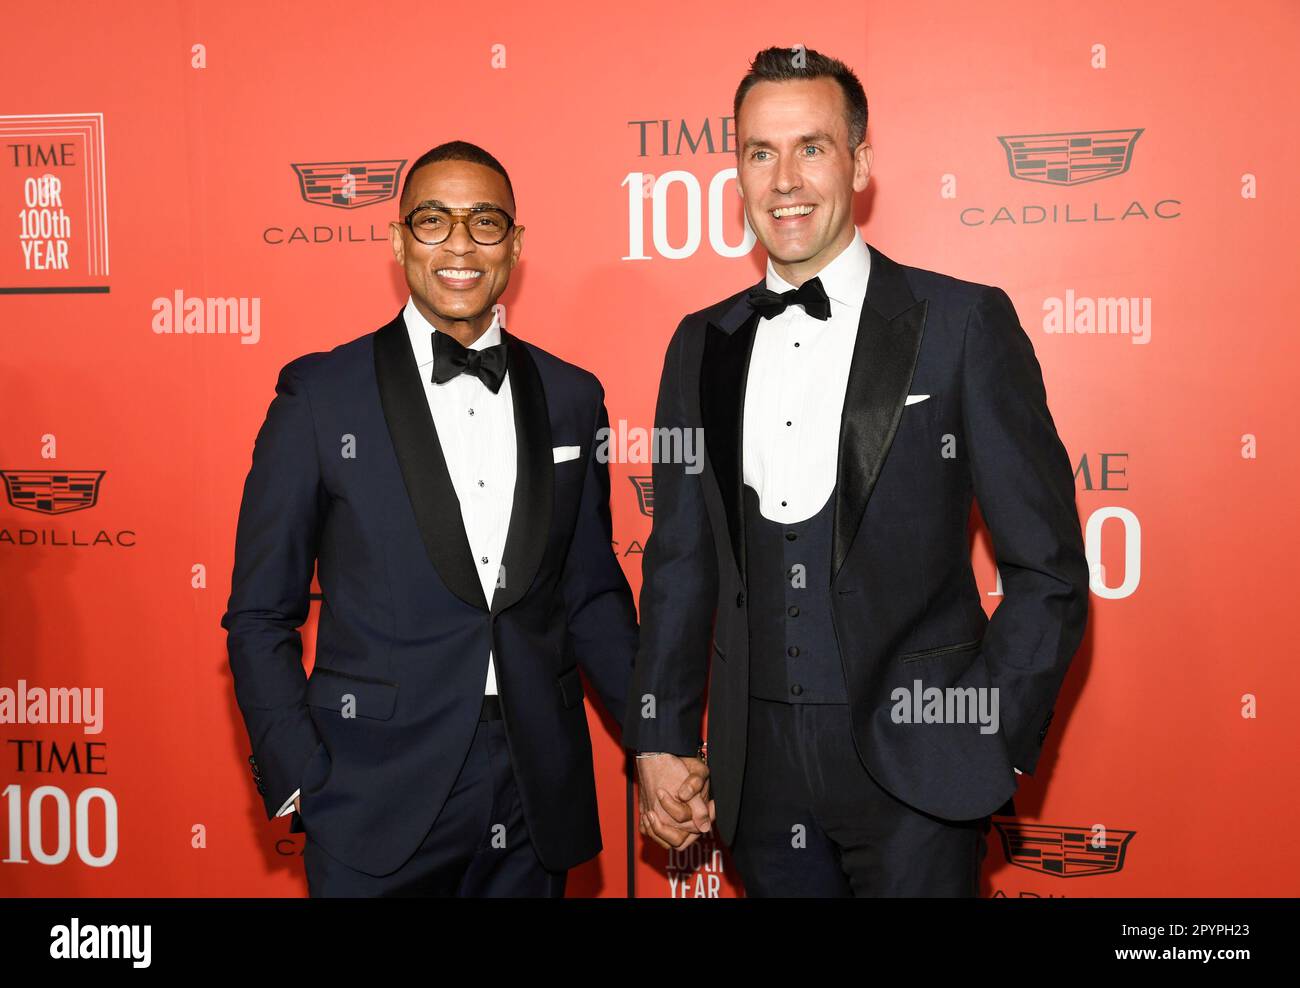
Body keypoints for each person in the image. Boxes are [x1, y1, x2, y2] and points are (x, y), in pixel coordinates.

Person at [624, 47, 1090, 896]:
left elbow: (1048, 568)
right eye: (760, 153)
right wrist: (658, 734)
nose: (785, 180)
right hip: (754, 775)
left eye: (812, 147)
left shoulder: (960, 324)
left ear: (861, 163)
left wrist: (983, 732)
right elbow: (680, 560)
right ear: (737, 172)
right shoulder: (701, 343)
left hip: (920, 767)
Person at [222, 141, 640, 897]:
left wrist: (660, 736)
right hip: (369, 794)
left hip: (532, 791)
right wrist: (301, 774)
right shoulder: (321, 398)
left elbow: (591, 596)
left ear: (515, 245)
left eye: (484, 223)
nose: (459, 244)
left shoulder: (573, 396)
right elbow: (259, 612)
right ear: (397, 240)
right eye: (432, 221)